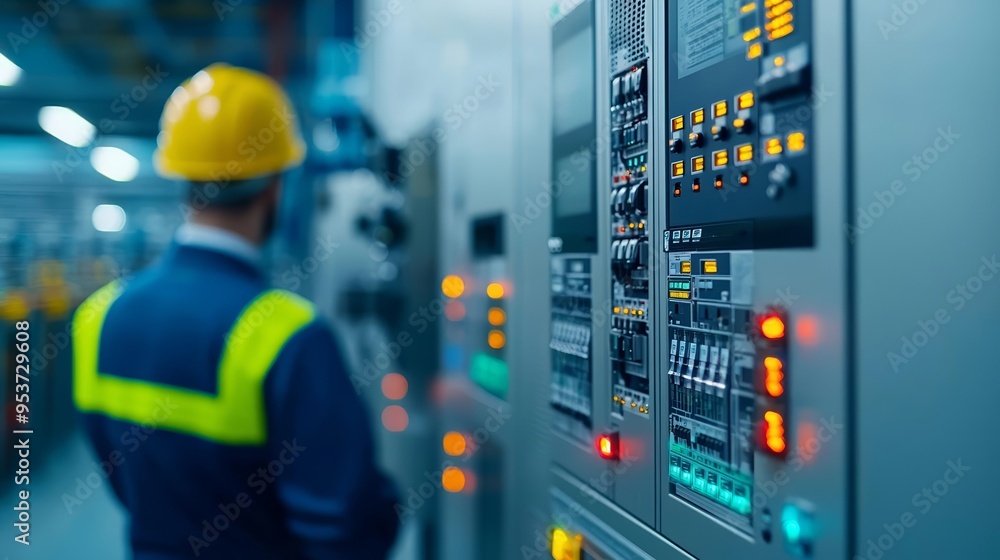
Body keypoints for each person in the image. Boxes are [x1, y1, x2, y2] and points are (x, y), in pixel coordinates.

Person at [72, 63, 400, 559]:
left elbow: (123, 478)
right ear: (275, 187)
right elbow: (344, 530)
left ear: (180, 176)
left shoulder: (97, 318)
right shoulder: (289, 337)